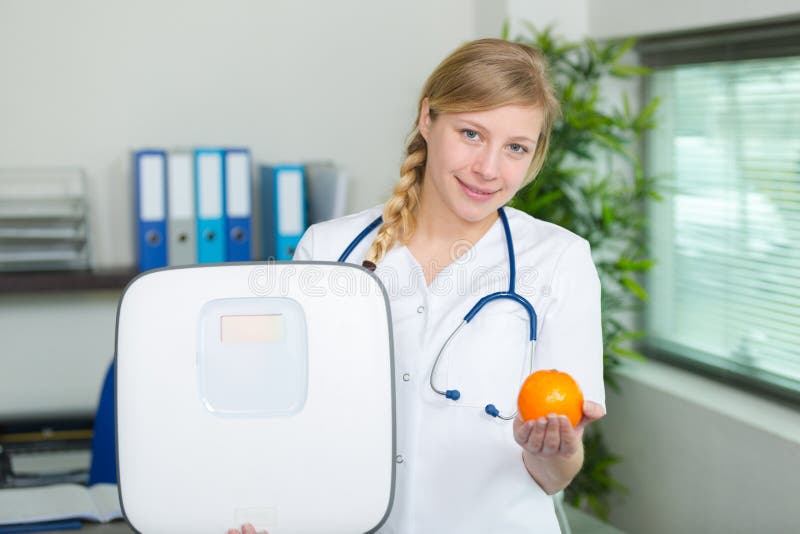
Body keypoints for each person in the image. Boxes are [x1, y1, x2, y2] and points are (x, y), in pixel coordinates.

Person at [231, 37, 605, 534]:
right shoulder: (327, 251)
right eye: (471, 134)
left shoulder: (559, 260)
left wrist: (554, 451)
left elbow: (555, 477)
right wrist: (262, 512)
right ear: (428, 118)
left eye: (515, 147)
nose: (489, 169)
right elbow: (283, 420)